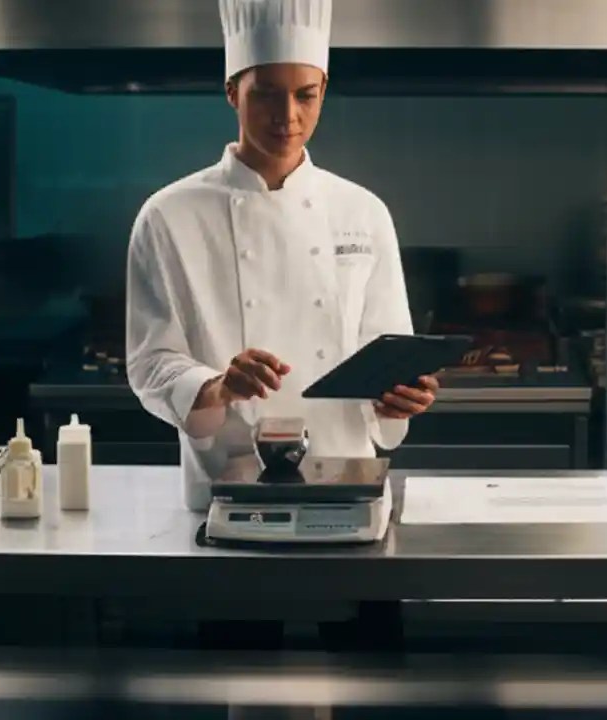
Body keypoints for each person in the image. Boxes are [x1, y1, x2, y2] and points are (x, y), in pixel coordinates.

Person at [126, 0, 438, 512]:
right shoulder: (168, 216)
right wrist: (218, 385)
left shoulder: (363, 211)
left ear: (322, 94)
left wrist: (402, 394)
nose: (287, 116)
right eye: (266, 94)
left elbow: (389, 351)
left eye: (305, 95)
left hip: (348, 484)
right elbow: (150, 364)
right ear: (232, 92)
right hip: (226, 489)